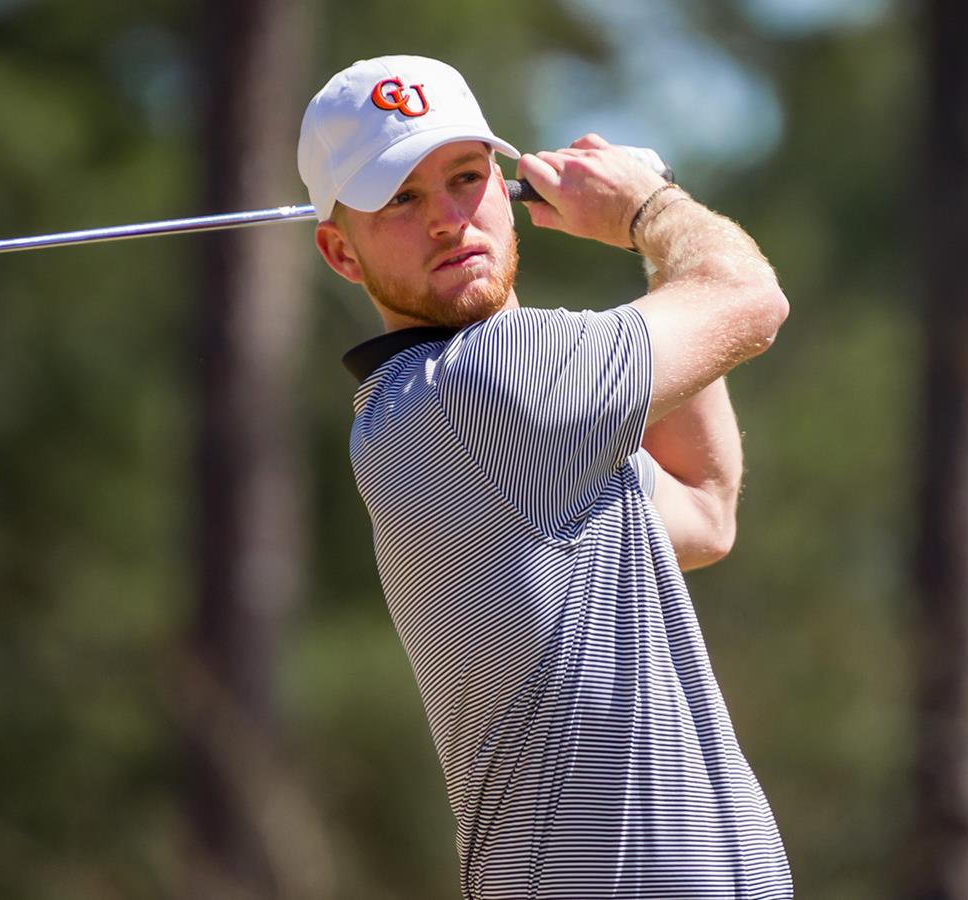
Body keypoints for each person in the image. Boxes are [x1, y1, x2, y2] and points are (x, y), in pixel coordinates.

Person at [298, 54, 793, 899]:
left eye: (465, 177)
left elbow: (705, 513)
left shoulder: (452, 413)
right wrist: (649, 209)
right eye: (400, 200)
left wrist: (652, 245)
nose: (449, 219)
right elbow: (749, 300)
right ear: (341, 253)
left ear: (507, 186)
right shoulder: (489, 384)